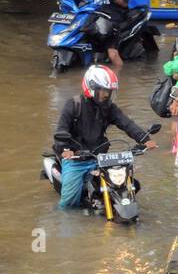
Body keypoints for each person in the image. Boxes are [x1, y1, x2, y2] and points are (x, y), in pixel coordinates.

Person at [54, 66, 157, 209]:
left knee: (127, 185)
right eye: (103, 90)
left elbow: (126, 123)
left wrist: (145, 139)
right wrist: (65, 150)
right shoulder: (73, 105)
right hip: (76, 160)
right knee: (69, 202)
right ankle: (64, 225)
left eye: (108, 91)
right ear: (91, 88)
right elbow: (61, 130)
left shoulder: (109, 108)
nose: (106, 95)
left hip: (100, 158)